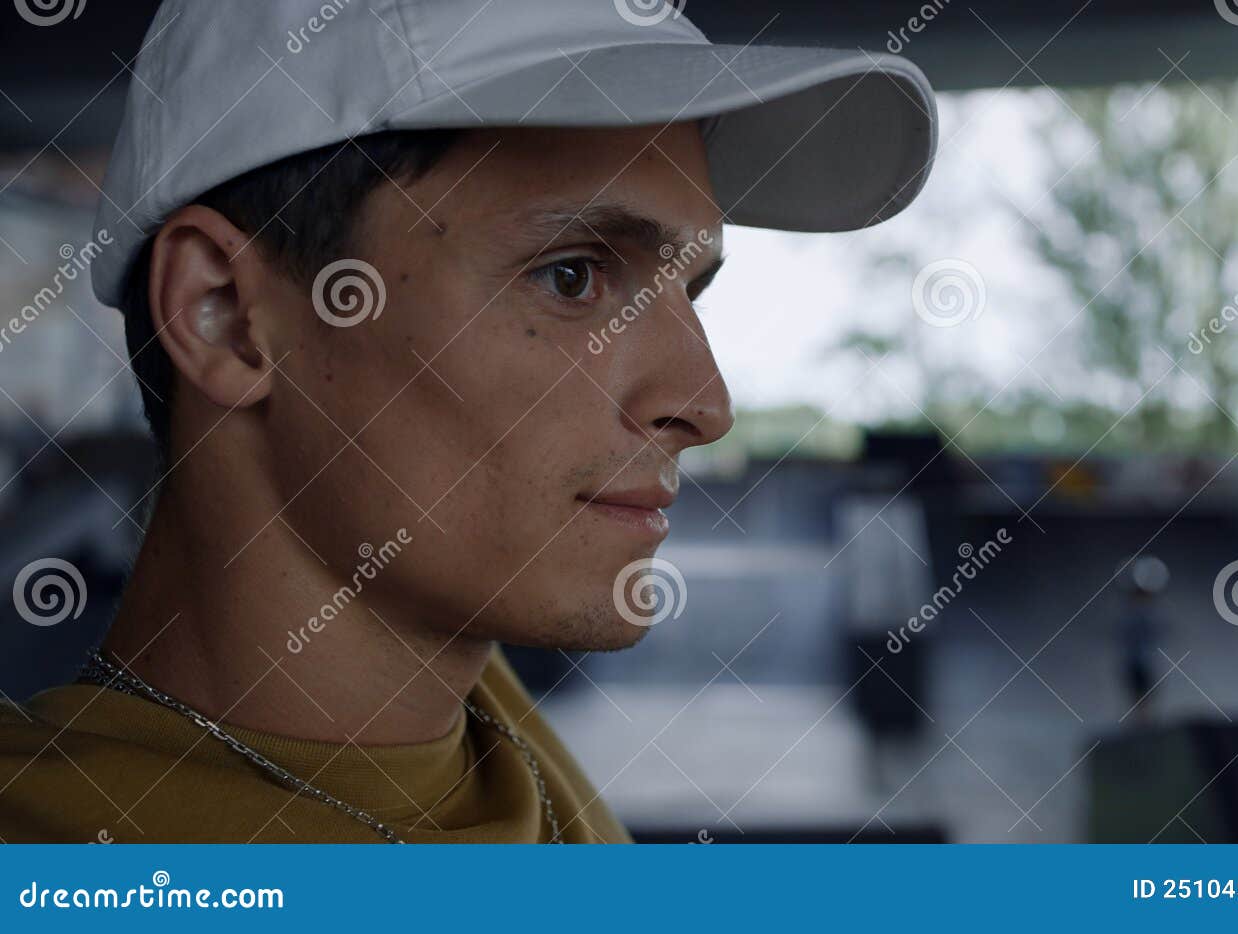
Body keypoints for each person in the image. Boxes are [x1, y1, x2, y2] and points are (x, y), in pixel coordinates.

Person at [0, 0, 935, 843]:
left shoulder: (468, 729)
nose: (705, 404)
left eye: (688, 290)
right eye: (571, 276)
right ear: (228, 317)